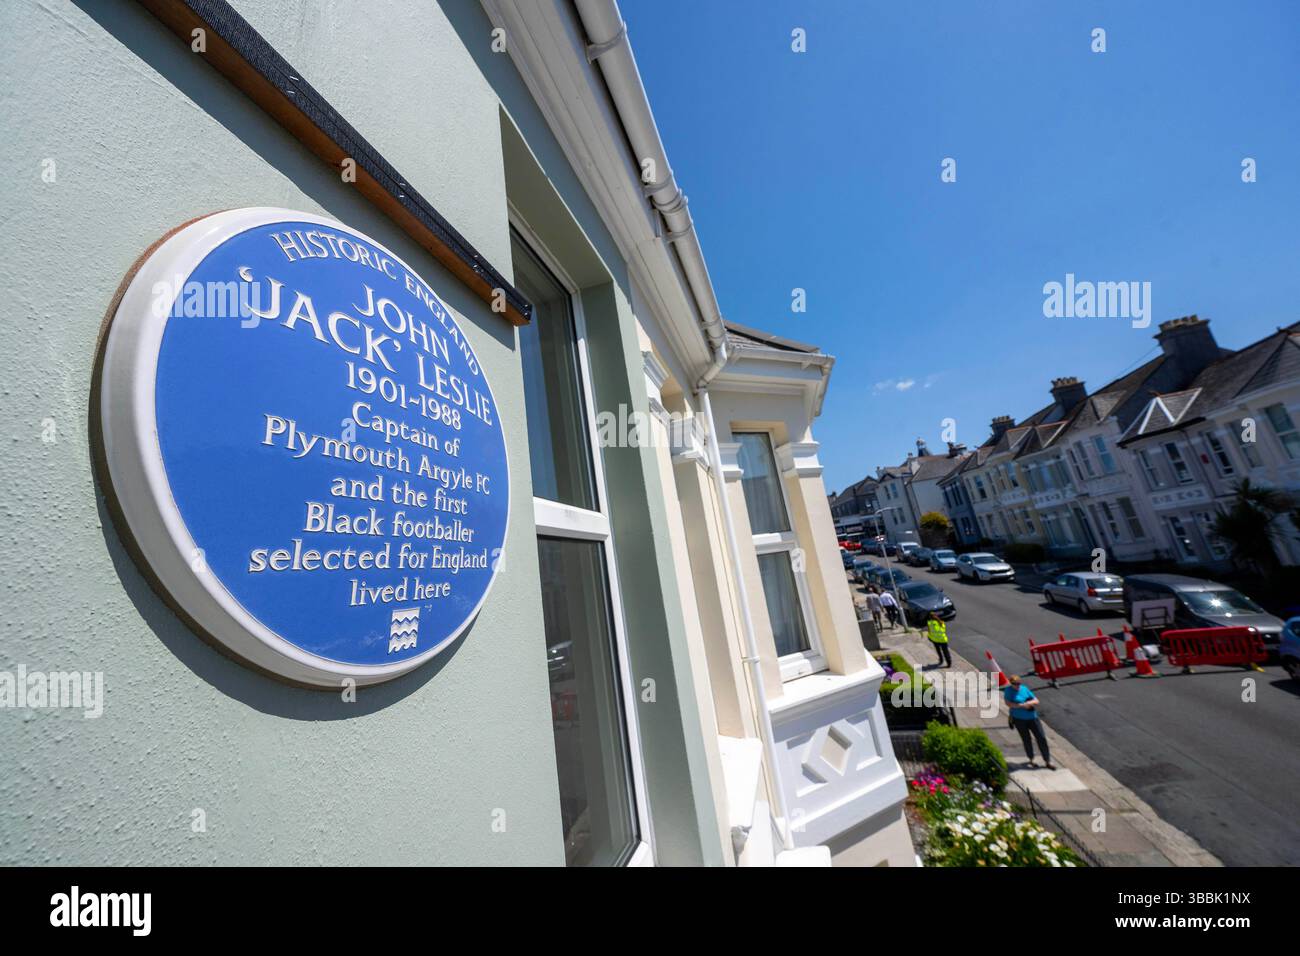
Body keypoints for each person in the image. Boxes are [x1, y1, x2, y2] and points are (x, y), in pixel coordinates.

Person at [1003, 675, 1055, 770]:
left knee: (1041, 737)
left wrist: (1029, 703)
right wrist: (1021, 706)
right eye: (1015, 684)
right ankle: (1031, 759)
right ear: (1011, 683)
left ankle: (1047, 760)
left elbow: (1036, 700)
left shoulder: (1024, 689)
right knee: (1026, 739)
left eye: (1019, 683)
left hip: (1032, 718)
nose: (1017, 685)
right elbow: (1008, 703)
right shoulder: (1008, 691)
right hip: (1019, 719)